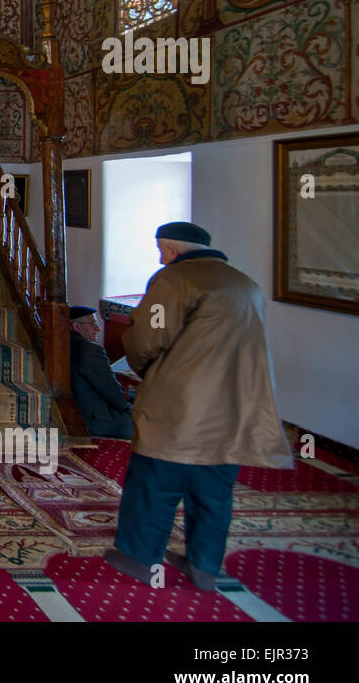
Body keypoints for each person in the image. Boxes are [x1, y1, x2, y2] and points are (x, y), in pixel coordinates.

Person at [105, 222, 293, 592]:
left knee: (154, 483)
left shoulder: (174, 281)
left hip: (182, 404)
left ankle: (139, 557)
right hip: (237, 403)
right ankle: (205, 565)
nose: (160, 256)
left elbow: (147, 337)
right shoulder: (244, 284)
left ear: (171, 249)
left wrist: (144, 369)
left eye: (162, 249)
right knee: (214, 491)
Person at [68, 305, 133, 439]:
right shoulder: (89, 351)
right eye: (92, 324)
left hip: (79, 414)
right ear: (76, 326)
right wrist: (130, 409)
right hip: (98, 421)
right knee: (152, 423)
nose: (97, 329)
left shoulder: (65, 344)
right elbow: (115, 395)